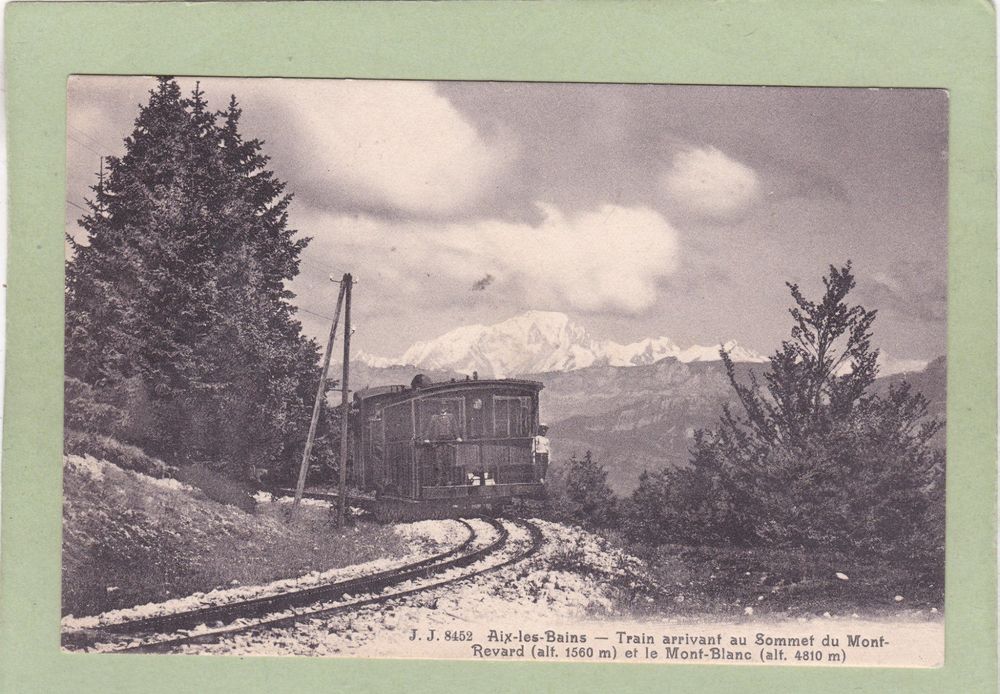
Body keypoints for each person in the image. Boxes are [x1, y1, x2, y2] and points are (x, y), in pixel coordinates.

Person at [421, 403, 461, 485]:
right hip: (438, 443)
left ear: (446, 408)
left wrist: (457, 437)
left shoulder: (451, 417)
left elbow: (455, 428)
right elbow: (429, 428)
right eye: (441, 406)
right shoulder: (434, 417)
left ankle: (449, 481)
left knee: (449, 462)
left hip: (449, 443)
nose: (442, 408)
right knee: (438, 462)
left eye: (444, 406)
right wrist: (426, 438)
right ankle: (438, 481)